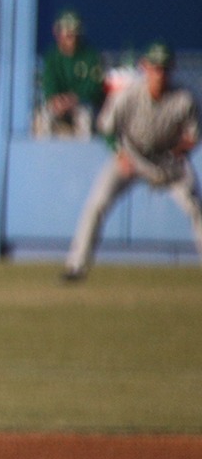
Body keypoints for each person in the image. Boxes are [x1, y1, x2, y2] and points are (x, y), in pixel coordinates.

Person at [62, 42, 202, 282]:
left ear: (171, 69)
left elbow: (193, 136)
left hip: (167, 161)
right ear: (144, 67)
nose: (159, 74)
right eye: (155, 67)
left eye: (164, 68)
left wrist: (178, 151)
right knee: (97, 203)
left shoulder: (183, 99)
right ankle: (76, 265)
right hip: (131, 156)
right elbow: (106, 128)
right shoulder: (128, 95)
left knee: (195, 207)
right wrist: (119, 153)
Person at [34, 10, 106, 139]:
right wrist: (56, 99)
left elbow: (94, 86)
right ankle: (43, 155)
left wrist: (74, 98)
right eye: (67, 33)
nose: (71, 38)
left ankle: (84, 155)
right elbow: (49, 83)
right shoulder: (51, 57)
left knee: (85, 117)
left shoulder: (91, 56)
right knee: (43, 117)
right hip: (59, 104)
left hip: (83, 104)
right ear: (58, 34)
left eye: (74, 33)